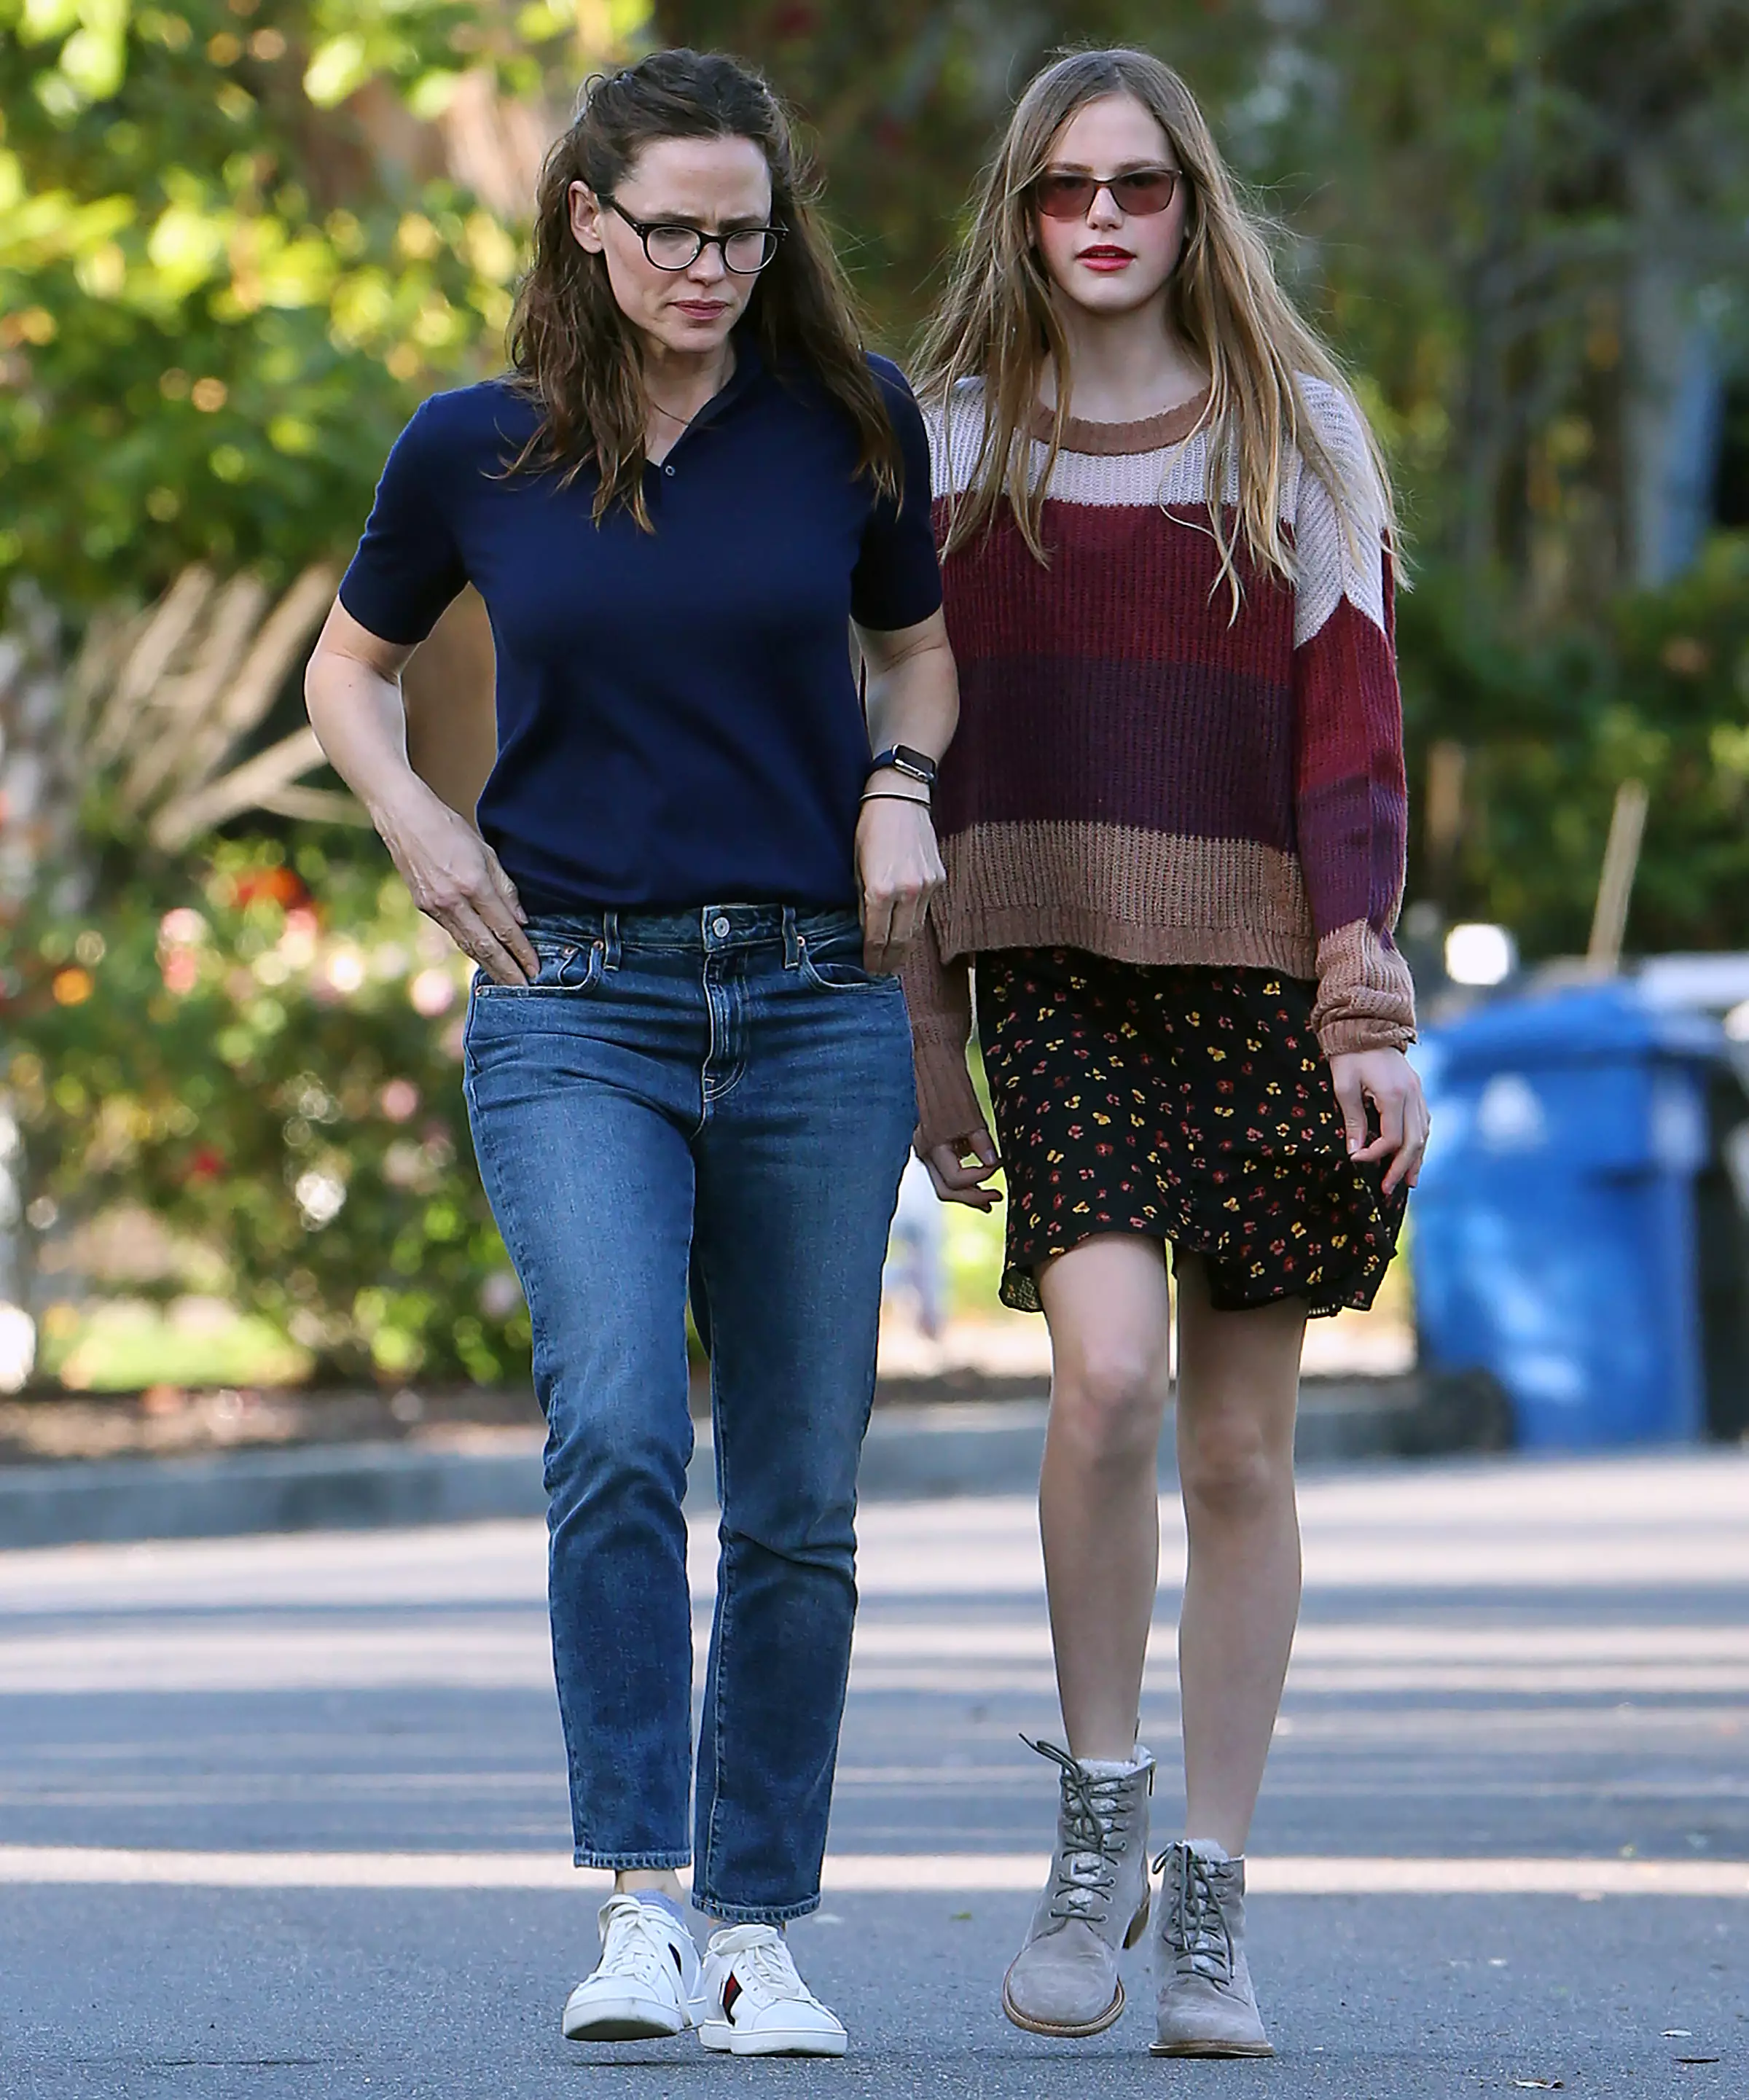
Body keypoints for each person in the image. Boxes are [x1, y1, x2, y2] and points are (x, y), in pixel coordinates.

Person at [304, 48, 956, 2058]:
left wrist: (904, 779)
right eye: (672, 228)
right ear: (586, 219)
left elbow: (915, 644)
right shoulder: (471, 447)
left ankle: (761, 1924)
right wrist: (417, 817)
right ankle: (639, 1906)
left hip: (815, 1006)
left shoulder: (852, 424)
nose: (709, 267)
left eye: (745, 234)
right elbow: (350, 668)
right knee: (610, 1427)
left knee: (798, 1484)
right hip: (572, 994)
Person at [903, 47, 1430, 2058]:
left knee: (1238, 1444)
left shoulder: (1303, 439)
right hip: (1046, 962)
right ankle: (1095, 1815)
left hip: (1263, 975)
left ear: (1194, 209)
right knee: (1106, 1378)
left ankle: (1205, 1895)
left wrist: (1361, 1005)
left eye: (1139, 186)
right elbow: (906, 754)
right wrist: (926, 1034)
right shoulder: (946, 445)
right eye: (1062, 190)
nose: (1102, 220)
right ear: (1020, 221)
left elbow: (1354, 742)